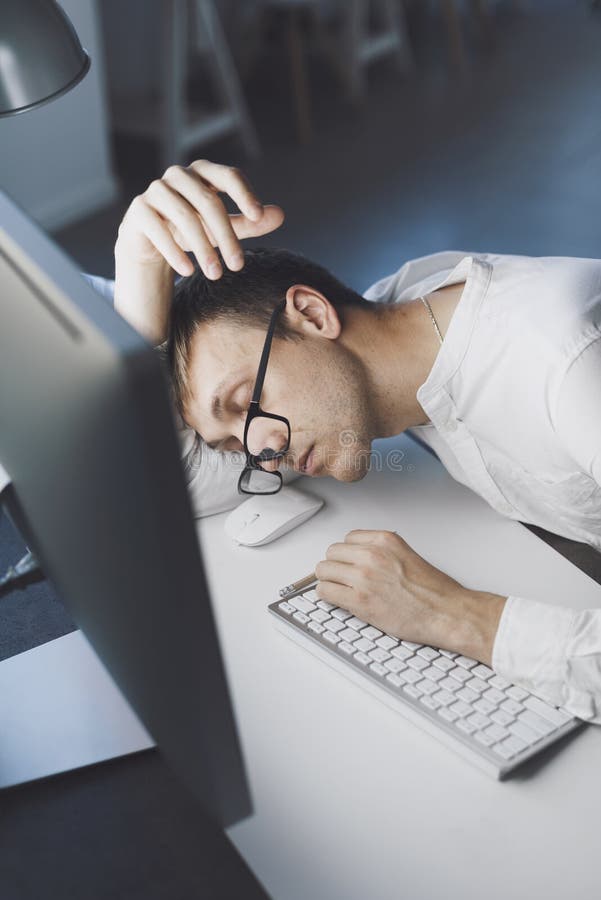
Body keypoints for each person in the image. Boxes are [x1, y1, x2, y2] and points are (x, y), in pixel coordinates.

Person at [86, 159, 601, 724]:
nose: (261, 451)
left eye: (241, 404)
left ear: (310, 313)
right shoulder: (383, 353)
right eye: (232, 444)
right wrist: (137, 286)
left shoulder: (569, 361)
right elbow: (147, 486)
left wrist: (455, 616)